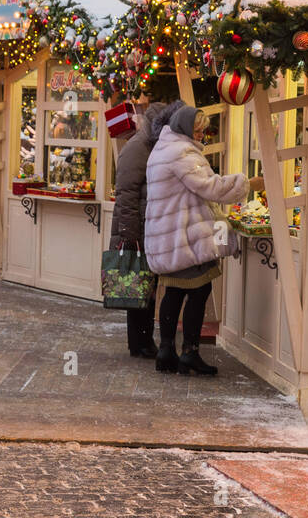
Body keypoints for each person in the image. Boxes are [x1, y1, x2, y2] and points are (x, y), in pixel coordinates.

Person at [145, 105, 264, 375]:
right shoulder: (182, 152)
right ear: (185, 128)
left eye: (203, 130)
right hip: (185, 237)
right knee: (199, 290)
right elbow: (212, 187)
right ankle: (188, 352)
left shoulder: (163, 148)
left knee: (174, 291)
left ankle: (166, 351)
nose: (201, 134)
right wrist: (249, 184)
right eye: (198, 129)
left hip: (170, 236)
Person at [108, 99, 178, 361]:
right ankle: (139, 343)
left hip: (147, 228)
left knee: (145, 287)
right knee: (138, 288)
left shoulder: (150, 145)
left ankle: (142, 341)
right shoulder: (138, 148)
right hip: (136, 231)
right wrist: (129, 234)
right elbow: (126, 195)